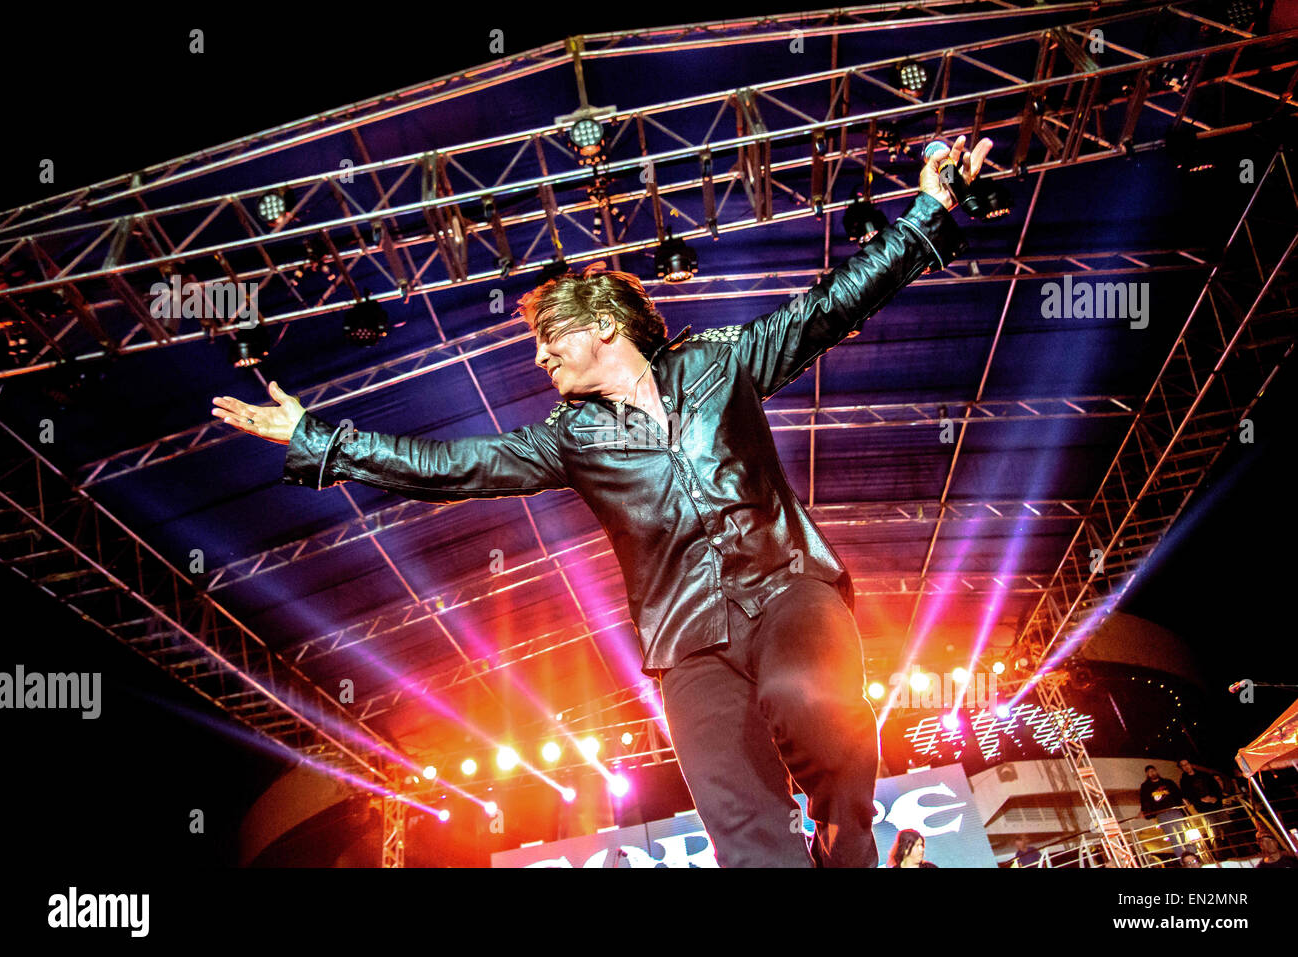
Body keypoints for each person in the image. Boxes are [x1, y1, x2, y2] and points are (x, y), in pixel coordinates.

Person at [213, 136, 992, 868]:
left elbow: (831, 305)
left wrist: (929, 212)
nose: (542, 354)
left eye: (554, 337)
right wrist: (322, 438)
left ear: (608, 328)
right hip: (689, 644)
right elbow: (451, 464)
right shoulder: (569, 438)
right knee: (744, 834)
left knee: (804, 694)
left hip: (788, 588)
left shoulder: (720, 364)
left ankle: (847, 847)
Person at [1140, 764, 1188, 854]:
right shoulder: (1146, 786)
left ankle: (1191, 854)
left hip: (1174, 811)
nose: (1152, 773)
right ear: (1147, 774)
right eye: (1149, 772)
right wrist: (1145, 812)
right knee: (1173, 838)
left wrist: (1183, 802)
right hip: (1161, 814)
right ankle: (1182, 858)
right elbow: (1144, 800)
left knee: (1184, 835)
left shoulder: (1168, 782)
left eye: (1153, 771)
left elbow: (1178, 793)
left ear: (1156, 771)